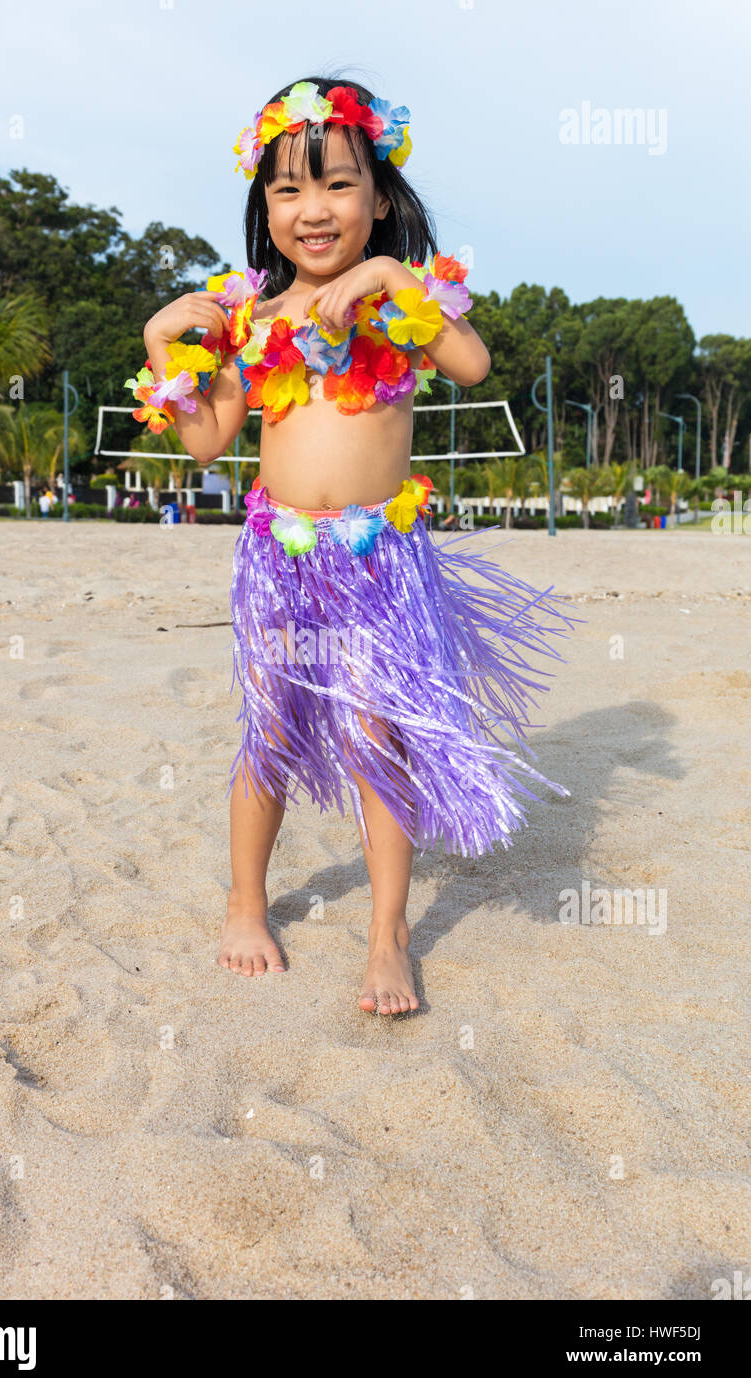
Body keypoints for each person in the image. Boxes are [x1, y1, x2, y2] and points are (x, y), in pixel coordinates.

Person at [135, 77, 579, 1016]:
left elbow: (472, 362)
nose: (314, 210)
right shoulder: (251, 319)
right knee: (271, 731)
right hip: (279, 561)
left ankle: (388, 935)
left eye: (338, 185)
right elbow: (209, 440)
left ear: (379, 196)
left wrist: (393, 280)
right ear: (265, 209)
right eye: (288, 191)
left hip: (383, 562)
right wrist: (163, 343)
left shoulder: (399, 311)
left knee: (380, 736)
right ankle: (247, 901)